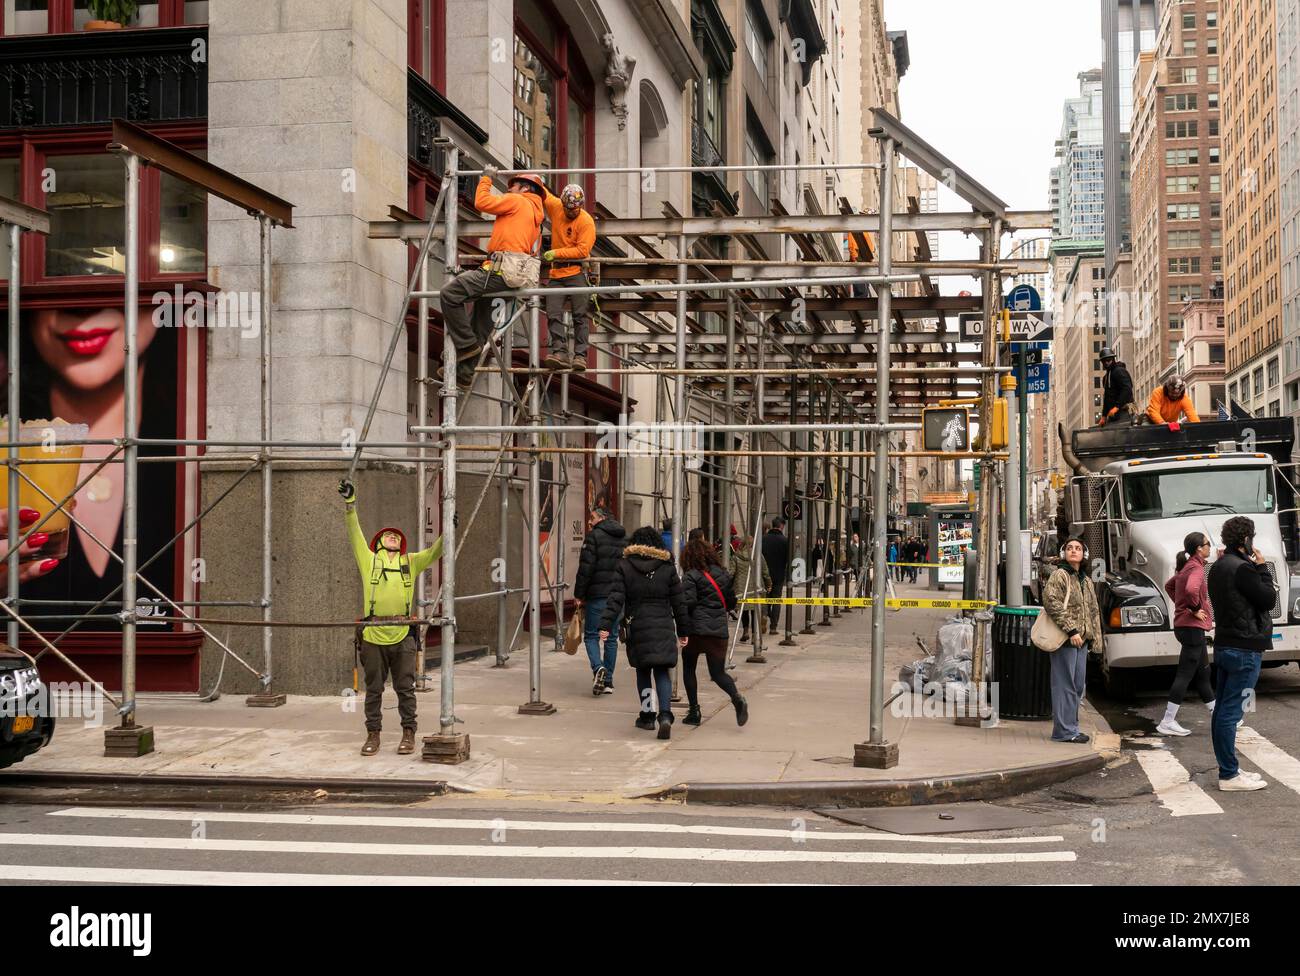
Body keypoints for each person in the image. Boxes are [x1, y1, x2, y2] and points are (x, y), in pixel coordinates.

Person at [339, 479, 443, 757]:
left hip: (402, 635)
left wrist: (450, 530)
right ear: (379, 542)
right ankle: (373, 734)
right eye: (387, 535)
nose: (392, 536)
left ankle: (409, 732)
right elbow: (354, 532)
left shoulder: (410, 562)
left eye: (396, 535)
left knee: (405, 689)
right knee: (374, 690)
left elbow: (436, 551)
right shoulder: (369, 559)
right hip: (373, 635)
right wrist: (350, 504)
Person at [437, 165, 546, 389]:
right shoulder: (537, 216)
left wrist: (486, 178)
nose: (510, 190)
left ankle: (465, 346)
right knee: (481, 323)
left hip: (499, 270)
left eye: (513, 186)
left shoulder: (518, 201)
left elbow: (482, 203)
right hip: (516, 277)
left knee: (450, 294)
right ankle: (465, 374)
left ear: (525, 188)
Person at [599, 526, 689, 740]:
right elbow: (679, 602)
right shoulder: (667, 567)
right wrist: (683, 631)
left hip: (637, 625)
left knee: (643, 671)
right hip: (663, 625)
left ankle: (648, 716)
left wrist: (605, 624)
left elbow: (615, 599)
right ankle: (665, 715)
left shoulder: (625, 566)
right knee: (662, 670)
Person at [1207, 515, 1275, 791]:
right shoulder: (1243, 569)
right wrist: (1262, 568)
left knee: (1222, 710)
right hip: (1244, 648)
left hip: (1225, 644)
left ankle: (1229, 769)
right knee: (1231, 714)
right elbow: (1268, 599)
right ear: (1246, 540)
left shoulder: (1218, 566)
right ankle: (1229, 775)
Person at [680, 538, 749, 727]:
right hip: (718, 629)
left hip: (696, 630)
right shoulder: (722, 574)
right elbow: (731, 602)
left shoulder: (690, 576)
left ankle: (694, 710)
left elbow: (689, 602)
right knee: (718, 673)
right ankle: (736, 698)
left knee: (688, 667)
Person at [1042, 537, 1100, 744]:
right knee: (1064, 684)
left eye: (1077, 548)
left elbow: (1093, 612)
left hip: (1081, 641)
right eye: (1069, 548)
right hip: (1066, 639)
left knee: (1076, 685)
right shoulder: (1060, 575)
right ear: (1063, 552)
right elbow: (1051, 602)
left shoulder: (1085, 579)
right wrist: (1072, 630)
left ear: (1084, 554)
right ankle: (1064, 731)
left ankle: (1071, 727)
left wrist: (1093, 640)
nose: (1073, 551)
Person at [1158, 532, 1216, 737]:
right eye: (1208, 544)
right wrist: (1193, 608)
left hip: (1187, 628)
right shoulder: (1197, 568)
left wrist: (1182, 607)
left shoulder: (1187, 566)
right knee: (1184, 675)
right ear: (1199, 548)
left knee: (1203, 673)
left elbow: (1169, 586)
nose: (1210, 547)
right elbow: (1192, 590)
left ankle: (1217, 715)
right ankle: (1167, 721)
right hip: (1191, 628)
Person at [541, 183, 596, 372]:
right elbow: (544, 194)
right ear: (563, 204)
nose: (572, 212)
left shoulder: (586, 221)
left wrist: (556, 253)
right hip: (556, 274)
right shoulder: (557, 207)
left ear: (580, 205)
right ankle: (560, 352)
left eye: (575, 209)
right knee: (553, 312)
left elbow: (582, 250)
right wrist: (533, 180)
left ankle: (580, 356)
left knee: (580, 316)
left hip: (576, 272)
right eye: (568, 209)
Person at [574, 505, 627, 696]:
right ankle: (608, 682)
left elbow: (585, 569)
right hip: (617, 596)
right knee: (611, 637)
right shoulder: (623, 537)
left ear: (602, 518)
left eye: (592, 517)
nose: (590, 521)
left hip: (598, 596)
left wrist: (579, 595)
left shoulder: (594, 537)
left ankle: (598, 669)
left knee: (592, 636)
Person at [729, 531, 770, 642]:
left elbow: (731, 573)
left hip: (741, 588)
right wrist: (768, 584)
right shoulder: (758, 555)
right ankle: (753, 635)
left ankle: (745, 631)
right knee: (755, 610)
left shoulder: (736, 556)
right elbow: (765, 571)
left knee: (744, 610)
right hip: (756, 586)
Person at [761, 517, 790, 634]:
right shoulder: (785, 541)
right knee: (776, 600)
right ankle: (773, 626)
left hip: (765, 575)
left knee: (765, 598)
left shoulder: (763, 539)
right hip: (779, 575)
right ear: (782, 526)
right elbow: (788, 559)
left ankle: (764, 615)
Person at [1098, 346, 1135, 425]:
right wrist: (1104, 416)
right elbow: (1107, 397)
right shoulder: (1106, 377)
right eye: (1104, 361)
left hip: (1125, 412)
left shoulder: (1119, 371)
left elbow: (1127, 389)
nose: (1106, 363)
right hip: (1114, 415)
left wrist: (1117, 407)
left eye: (1109, 360)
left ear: (1113, 359)